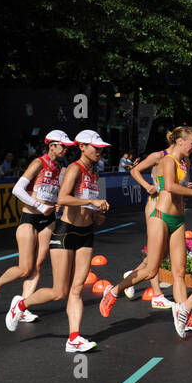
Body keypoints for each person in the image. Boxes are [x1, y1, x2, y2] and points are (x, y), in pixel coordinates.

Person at [102, 126, 192, 335]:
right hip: (161, 216)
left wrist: (187, 191)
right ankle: (114, 290)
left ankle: (184, 317)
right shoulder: (166, 160)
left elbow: (177, 186)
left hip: (178, 219)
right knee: (152, 270)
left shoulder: (184, 162)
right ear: (180, 142)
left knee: (179, 272)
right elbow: (169, 186)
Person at [0, 131, 75, 329]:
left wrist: (59, 204)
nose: (65, 149)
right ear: (51, 146)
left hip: (49, 219)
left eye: (66, 146)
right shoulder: (38, 163)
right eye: (62, 146)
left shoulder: (62, 167)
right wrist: (41, 205)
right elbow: (17, 189)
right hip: (30, 217)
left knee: (38, 263)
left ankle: (22, 306)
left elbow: (60, 193)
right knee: (25, 267)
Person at [50, 130, 111, 353]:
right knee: (59, 291)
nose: (100, 152)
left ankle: (74, 337)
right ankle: (22, 304)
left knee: (77, 288)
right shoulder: (75, 168)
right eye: (96, 148)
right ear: (82, 147)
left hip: (87, 233)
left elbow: (95, 212)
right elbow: (63, 198)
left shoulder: (94, 173)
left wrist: (99, 212)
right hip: (67, 231)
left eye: (101, 149)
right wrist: (92, 201)